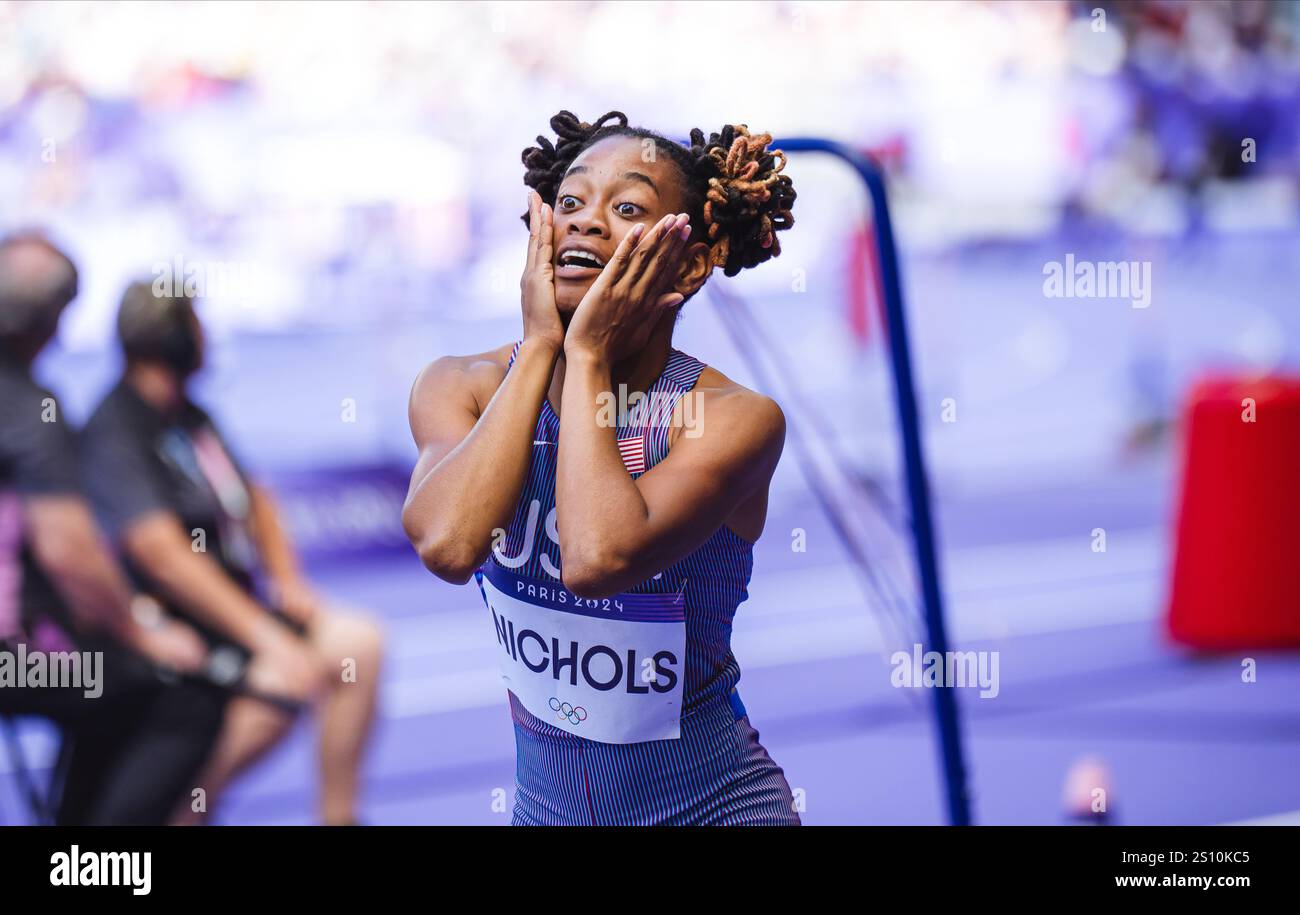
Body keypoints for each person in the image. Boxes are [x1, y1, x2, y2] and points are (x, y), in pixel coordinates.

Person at [403, 111, 800, 825]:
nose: (585, 223)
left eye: (627, 208)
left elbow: (598, 554)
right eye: (571, 202)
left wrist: (585, 355)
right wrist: (539, 350)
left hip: (717, 809)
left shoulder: (731, 419)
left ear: (691, 262)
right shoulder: (457, 386)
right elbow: (448, 545)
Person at [80, 281, 384, 826]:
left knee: (358, 646)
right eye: (197, 326)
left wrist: (290, 582)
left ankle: (339, 819)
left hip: (232, 616)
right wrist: (264, 637)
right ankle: (180, 809)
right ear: (172, 338)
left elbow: (256, 500)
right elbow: (161, 555)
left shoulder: (190, 416)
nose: (207, 339)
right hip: (170, 630)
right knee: (284, 683)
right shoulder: (115, 428)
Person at [0, 232, 225, 825]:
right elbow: (69, 552)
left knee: (109, 681)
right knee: (179, 692)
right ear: (55, 323)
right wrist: (142, 633)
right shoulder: (27, 409)